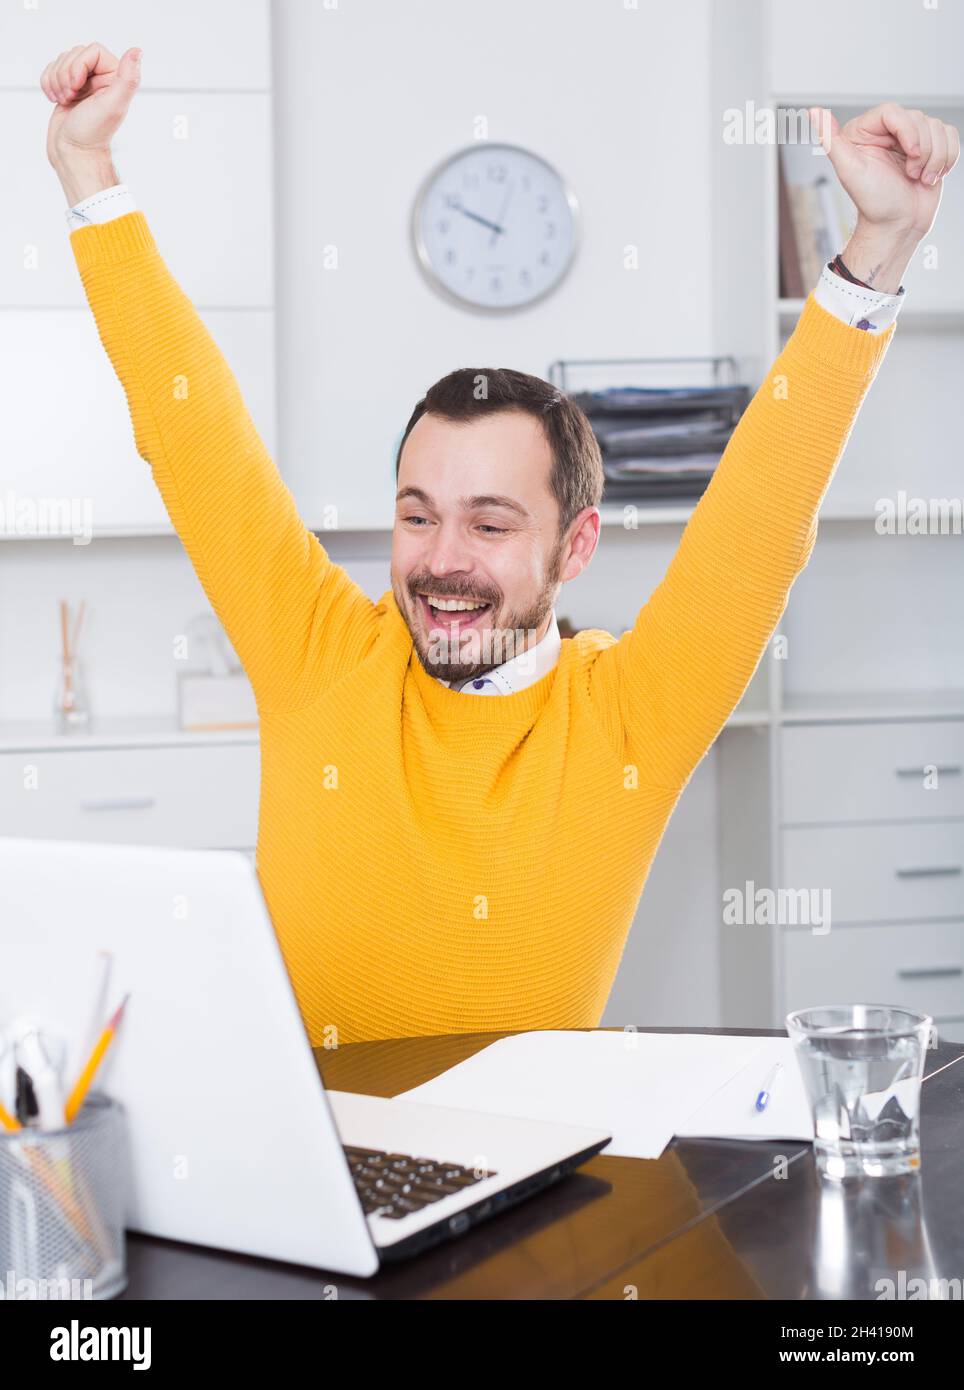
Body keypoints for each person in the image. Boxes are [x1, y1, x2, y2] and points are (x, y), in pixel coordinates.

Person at [42, 43, 959, 1044]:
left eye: (489, 523)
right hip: (316, 1139)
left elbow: (761, 515)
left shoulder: (628, 717)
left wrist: (882, 242)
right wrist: (88, 169)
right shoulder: (320, 659)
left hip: (534, 1145)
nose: (442, 559)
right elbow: (193, 432)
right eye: (417, 514)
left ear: (576, 546)